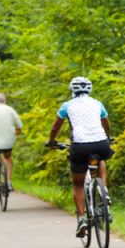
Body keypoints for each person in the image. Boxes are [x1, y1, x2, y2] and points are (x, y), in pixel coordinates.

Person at [45, 76, 112, 237]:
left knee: (78, 185)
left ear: (72, 90)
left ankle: (81, 218)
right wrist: (108, 137)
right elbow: (106, 124)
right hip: (101, 142)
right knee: (101, 158)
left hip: (80, 146)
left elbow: (56, 128)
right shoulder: (97, 103)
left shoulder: (67, 106)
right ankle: (104, 189)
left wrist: (52, 141)